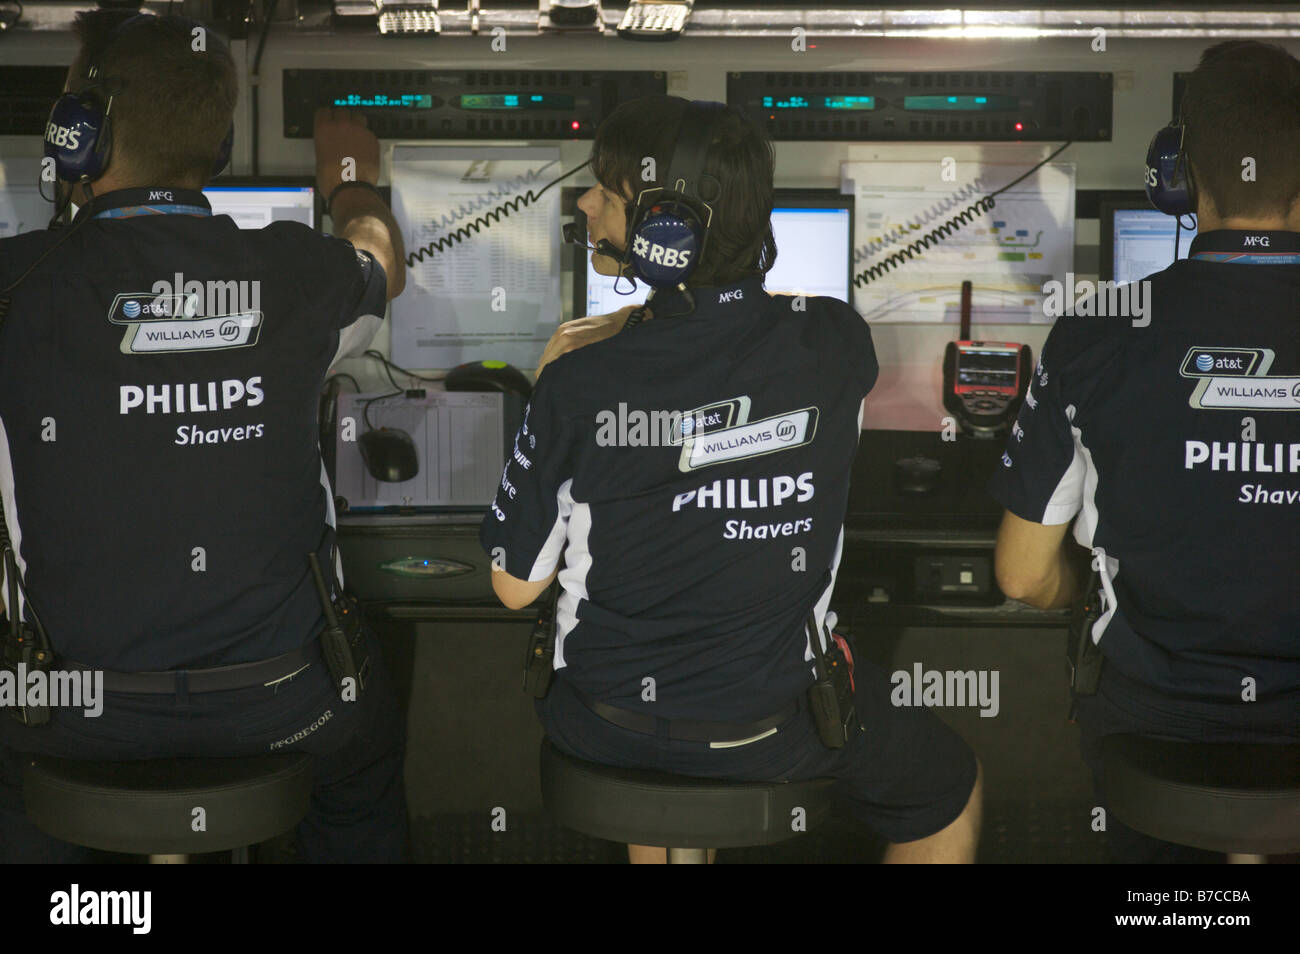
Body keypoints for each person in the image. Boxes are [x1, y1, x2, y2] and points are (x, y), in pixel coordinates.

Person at [482, 95, 982, 864]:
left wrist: (576, 356)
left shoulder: (576, 380)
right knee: (946, 791)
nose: (584, 202)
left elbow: (515, 587)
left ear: (664, 229)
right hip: (774, 728)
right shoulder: (837, 343)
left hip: (601, 722)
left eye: (607, 192)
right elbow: (756, 317)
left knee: (652, 735)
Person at [0, 10, 408, 862]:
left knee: (21, 786)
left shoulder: (16, 289)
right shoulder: (299, 275)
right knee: (362, 765)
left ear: (79, 139)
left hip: (70, 710)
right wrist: (351, 180)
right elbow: (378, 259)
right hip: (287, 702)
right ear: (217, 152)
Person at [990, 40, 1300, 863]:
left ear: (1177, 177)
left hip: (1152, 736)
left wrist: (1084, 597)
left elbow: (1022, 577)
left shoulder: (1097, 333)